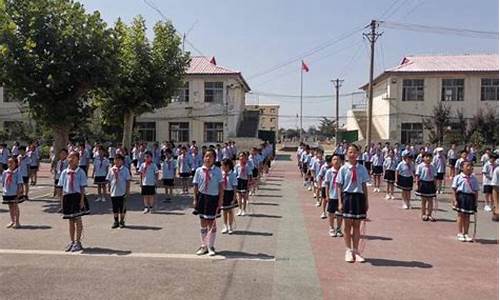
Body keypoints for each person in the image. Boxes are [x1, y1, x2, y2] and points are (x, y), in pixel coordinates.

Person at [337, 144, 370, 263]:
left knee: (357, 225)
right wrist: (340, 203)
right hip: (347, 197)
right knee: (347, 226)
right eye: (350, 152)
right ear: (347, 154)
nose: (352, 154)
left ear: (358, 154)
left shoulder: (362, 168)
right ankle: (348, 250)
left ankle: (356, 251)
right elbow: (339, 185)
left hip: (359, 197)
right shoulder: (343, 168)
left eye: (354, 152)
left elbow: (364, 185)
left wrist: (366, 201)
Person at [192, 149, 224, 256]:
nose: (208, 158)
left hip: (213, 198)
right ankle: (203, 245)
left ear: (214, 159)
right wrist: (195, 199)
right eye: (206, 156)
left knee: (212, 223)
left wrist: (220, 200)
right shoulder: (198, 170)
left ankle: (211, 246)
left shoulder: (218, 171)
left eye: (210, 156)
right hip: (202, 197)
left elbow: (221, 187)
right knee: (203, 223)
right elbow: (196, 185)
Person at [58, 151, 88, 252]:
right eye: (69, 157)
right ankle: (71, 241)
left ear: (78, 160)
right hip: (67, 197)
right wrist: (61, 201)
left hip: (77, 197)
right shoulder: (64, 172)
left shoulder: (81, 172)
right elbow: (61, 187)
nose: (70, 159)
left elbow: (82, 188)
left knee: (78, 219)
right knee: (70, 220)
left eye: (73, 157)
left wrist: (82, 200)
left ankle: (78, 241)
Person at [452, 160, 479, 242]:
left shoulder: (474, 178)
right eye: (467, 166)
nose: (469, 167)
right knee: (461, 215)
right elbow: (454, 189)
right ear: (461, 167)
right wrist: (455, 200)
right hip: (461, 197)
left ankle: (466, 233)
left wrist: (475, 201)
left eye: (471, 166)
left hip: (470, 197)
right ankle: (460, 232)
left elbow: (476, 191)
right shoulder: (458, 177)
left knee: (467, 216)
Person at [106, 154, 131, 229]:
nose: (117, 161)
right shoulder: (111, 170)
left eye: (119, 160)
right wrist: (109, 189)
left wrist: (127, 191)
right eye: (115, 160)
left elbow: (127, 181)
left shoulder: (125, 170)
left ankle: (122, 221)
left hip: (122, 192)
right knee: (115, 208)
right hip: (114, 192)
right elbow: (109, 180)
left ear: (122, 161)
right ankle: (116, 221)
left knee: (122, 208)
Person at [324, 154, 343, 237]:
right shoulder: (329, 172)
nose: (336, 161)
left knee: (340, 213)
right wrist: (327, 195)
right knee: (331, 213)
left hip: (341, 196)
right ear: (331, 162)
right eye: (334, 159)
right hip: (332, 195)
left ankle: (338, 228)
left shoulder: (343, 171)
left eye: (338, 159)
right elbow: (327, 184)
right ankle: (331, 227)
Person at [2, 157, 23, 228]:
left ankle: (17, 222)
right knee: (10, 207)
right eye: (9, 162)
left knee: (15, 206)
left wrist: (19, 192)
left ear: (15, 163)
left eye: (12, 162)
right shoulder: (5, 172)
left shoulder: (17, 172)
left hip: (14, 192)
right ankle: (12, 221)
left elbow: (19, 183)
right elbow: (3, 182)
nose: (10, 164)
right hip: (7, 192)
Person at [415, 153, 438, 222]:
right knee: (424, 200)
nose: (428, 159)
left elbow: (434, 176)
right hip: (423, 183)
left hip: (430, 183)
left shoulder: (432, 166)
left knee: (430, 200)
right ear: (423, 158)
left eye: (430, 157)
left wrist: (435, 185)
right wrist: (417, 185)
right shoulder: (420, 166)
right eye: (426, 157)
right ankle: (423, 214)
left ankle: (429, 214)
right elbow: (417, 176)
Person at [220, 158, 237, 234]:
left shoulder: (232, 174)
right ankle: (225, 226)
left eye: (223, 165)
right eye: (222, 166)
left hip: (230, 193)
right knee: (224, 211)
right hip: (223, 193)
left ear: (228, 166)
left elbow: (234, 187)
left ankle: (230, 226)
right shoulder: (221, 174)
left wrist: (234, 197)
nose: (222, 167)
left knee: (230, 211)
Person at [235, 152, 253, 216]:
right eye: (240, 156)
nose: (242, 158)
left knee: (244, 196)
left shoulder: (247, 166)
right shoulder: (237, 166)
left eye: (243, 156)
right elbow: (235, 174)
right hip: (238, 181)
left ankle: (244, 210)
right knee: (239, 196)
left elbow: (249, 175)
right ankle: (239, 209)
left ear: (245, 158)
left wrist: (249, 183)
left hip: (245, 181)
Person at [317, 155, 331, 220]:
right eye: (327, 162)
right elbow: (320, 176)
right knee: (325, 199)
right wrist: (319, 185)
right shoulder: (323, 167)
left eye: (329, 162)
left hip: (332, 186)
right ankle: (324, 212)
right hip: (324, 185)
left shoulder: (334, 167)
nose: (329, 163)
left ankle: (332, 211)